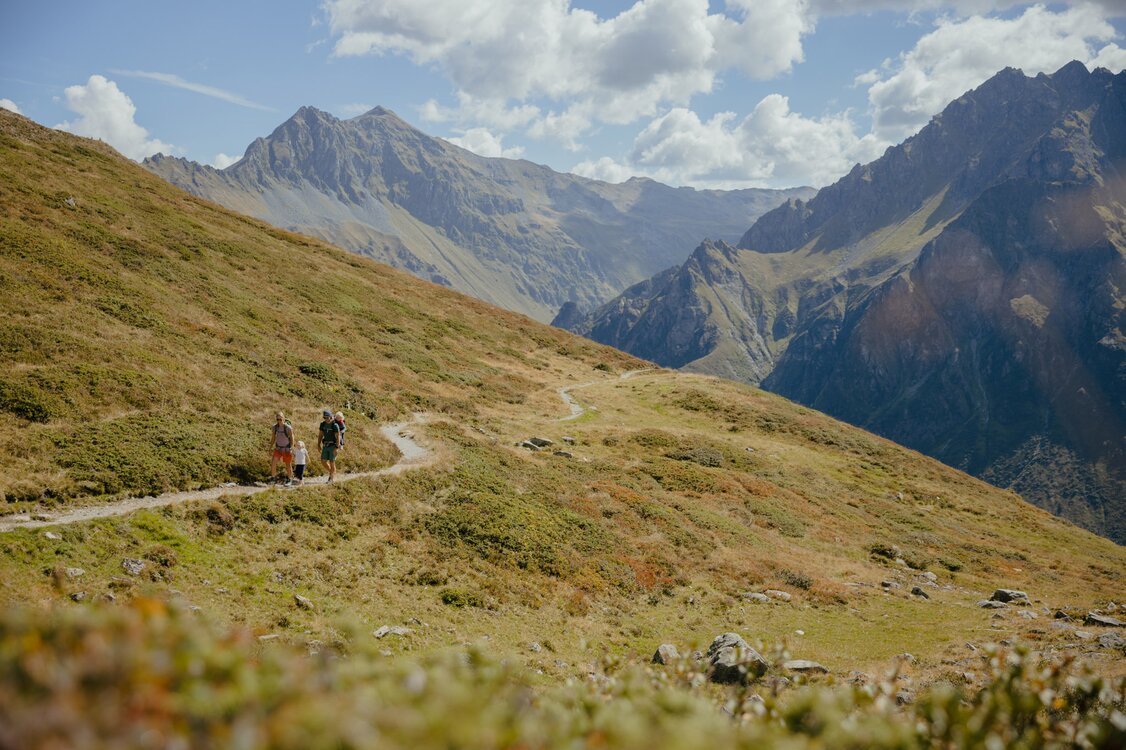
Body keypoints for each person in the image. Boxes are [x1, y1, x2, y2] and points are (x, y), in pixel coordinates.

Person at [270, 412, 295, 485]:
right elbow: (273, 438)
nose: (279, 421)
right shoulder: (274, 427)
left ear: (283, 418)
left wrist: (291, 448)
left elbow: (292, 438)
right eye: (277, 419)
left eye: (280, 419)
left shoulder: (288, 428)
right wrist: (270, 447)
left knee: (288, 464)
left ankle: (290, 479)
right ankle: (273, 478)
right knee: (273, 462)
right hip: (278, 448)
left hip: (286, 449)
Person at [318, 408, 342, 482]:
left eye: (328, 417)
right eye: (325, 418)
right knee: (323, 461)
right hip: (325, 445)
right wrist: (318, 445)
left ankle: (331, 478)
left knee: (332, 462)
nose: (327, 419)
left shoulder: (335, 425)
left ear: (331, 417)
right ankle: (332, 472)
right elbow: (320, 435)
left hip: (333, 446)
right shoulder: (322, 424)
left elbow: (338, 437)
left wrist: (336, 447)